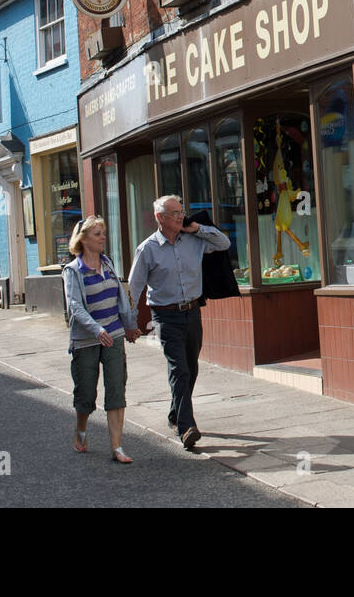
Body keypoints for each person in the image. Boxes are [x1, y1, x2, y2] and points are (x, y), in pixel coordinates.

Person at [126, 195, 229, 449]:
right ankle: (187, 427)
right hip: (165, 315)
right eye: (174, 213)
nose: (180, 216)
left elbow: (224, 243)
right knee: (179, 369)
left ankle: (175, 414)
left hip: (192, 312)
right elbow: (134, 287)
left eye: (181, 212)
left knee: (190, 368)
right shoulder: (147, 249)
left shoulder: (194, 240)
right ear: (159, 218)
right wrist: (130, 322)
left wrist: (198, 228)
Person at [63, 216, 139, 463]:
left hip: (114, 335)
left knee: (117, 389)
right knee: (85, 393)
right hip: (87, 340)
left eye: (103, 233)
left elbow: (120, 297)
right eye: (97, 234)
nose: (103, 237)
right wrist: (96, 330)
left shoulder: (108, 263)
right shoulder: (73, 271)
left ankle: (117, 447)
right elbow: (75, 306)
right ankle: (81, 428)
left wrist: (129, 327)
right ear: (83, 240)